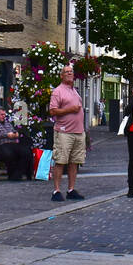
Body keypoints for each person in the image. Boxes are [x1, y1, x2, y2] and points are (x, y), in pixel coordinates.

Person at [47, 65, 86, 202]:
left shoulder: (74, 90)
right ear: (61, 76)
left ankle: (71, 189)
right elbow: (52, 111)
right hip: (64, 132)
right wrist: (70, 110)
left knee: (74, 161)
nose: (69, 74)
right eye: (66, 72)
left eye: (71, 72)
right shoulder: (58, 91)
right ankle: (56, 190)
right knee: (60, 161)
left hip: (78, 132)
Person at [0, 107, 33, 180]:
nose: (3, 116)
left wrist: (16, 134)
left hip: (12, 143)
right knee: (9, 154)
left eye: (4, 114)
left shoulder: (7, 123)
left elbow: (13, 131)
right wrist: (6, 135)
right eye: (1, 114)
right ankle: (14, 175)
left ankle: (19, 174)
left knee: (26, 152)